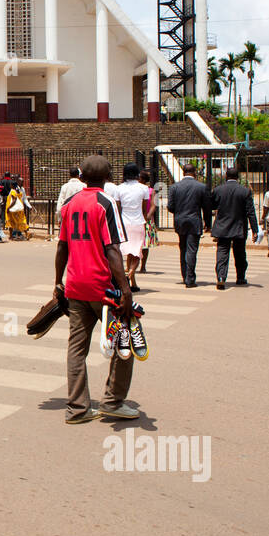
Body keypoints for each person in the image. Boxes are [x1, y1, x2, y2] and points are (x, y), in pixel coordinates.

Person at [54, 154, 139, 424]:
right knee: (125, 341)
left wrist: (58, 282)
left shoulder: (69, 204)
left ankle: (77, 408)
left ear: (81, 176)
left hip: (76, 286)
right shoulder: (106, 203)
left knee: (76, 349)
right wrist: (126, 291)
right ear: (108, 177)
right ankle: (113, 401)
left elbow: (62, 247)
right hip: (103, 288)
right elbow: (113, 250)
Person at [210, 167, 258, 289]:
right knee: (240, 253)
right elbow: (250, 212)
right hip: (239, 227)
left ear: (226, 176)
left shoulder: (218, 190)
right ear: (238, 177)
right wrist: (255, 230)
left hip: (222, 227)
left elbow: (212, 205)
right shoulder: (245, 191)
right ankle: (240, 277)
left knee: (222, 253)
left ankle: (221, 277)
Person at [167, 164, 211, 287]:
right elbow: (207, 207)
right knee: (192, 250)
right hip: (194, 221)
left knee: (183, 248)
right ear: (194, 172)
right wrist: (208, 224)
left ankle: (185, 274)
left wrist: (180, 212)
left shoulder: (174, 187)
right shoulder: (201, 187)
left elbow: (170, 206)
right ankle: (190, 278)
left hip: (180, 221)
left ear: (183, 172)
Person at [113, 162, 151, 291]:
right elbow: (144, 208)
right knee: (136, 252)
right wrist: (145, 221)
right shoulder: (143, 188)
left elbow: (118, 208)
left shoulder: (119, 188)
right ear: (137, 174)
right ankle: (130, 274)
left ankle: (131, 280)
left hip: (124, 222)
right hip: (138, 222)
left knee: (126, 251)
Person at [138, 170, 157, 273]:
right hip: (136, 219)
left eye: (139, 178)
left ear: (144, 180)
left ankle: (143, 265)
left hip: (147, 220)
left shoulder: (151, 191)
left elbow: (154, 205)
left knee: (145, 244)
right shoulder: (135, 190)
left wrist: (148, 216)